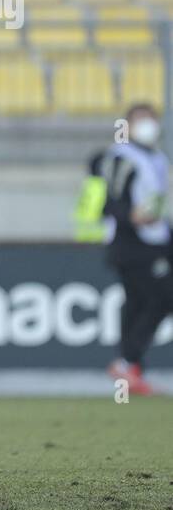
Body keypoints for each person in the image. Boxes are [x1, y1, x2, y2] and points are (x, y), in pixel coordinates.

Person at [99, 103, 168, 396]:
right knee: (158, 298)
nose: (147, 125)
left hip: (157, 238)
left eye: (151, 119)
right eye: (140, 120)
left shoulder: (157, 157)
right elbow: (108, 199)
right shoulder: (121, 157)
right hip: (132, 243)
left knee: (139, 302)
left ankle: (129, 365)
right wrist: (130, 216)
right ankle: (128, 363)